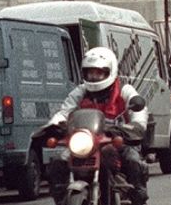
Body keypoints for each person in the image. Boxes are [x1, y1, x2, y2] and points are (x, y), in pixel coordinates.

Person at [46, 47, 148, 205]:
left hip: (116, 142)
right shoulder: (80, 91)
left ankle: (137, 197)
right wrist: (54, 125)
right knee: (58, 161)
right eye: (90, 72)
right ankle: (61, 199)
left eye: (98, 72)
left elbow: (139, 116)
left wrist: (134, 127)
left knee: (133, 159)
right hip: (86, 143)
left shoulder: (124, 90)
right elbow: (64, 111)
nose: (93, 77)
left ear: (110, 71)